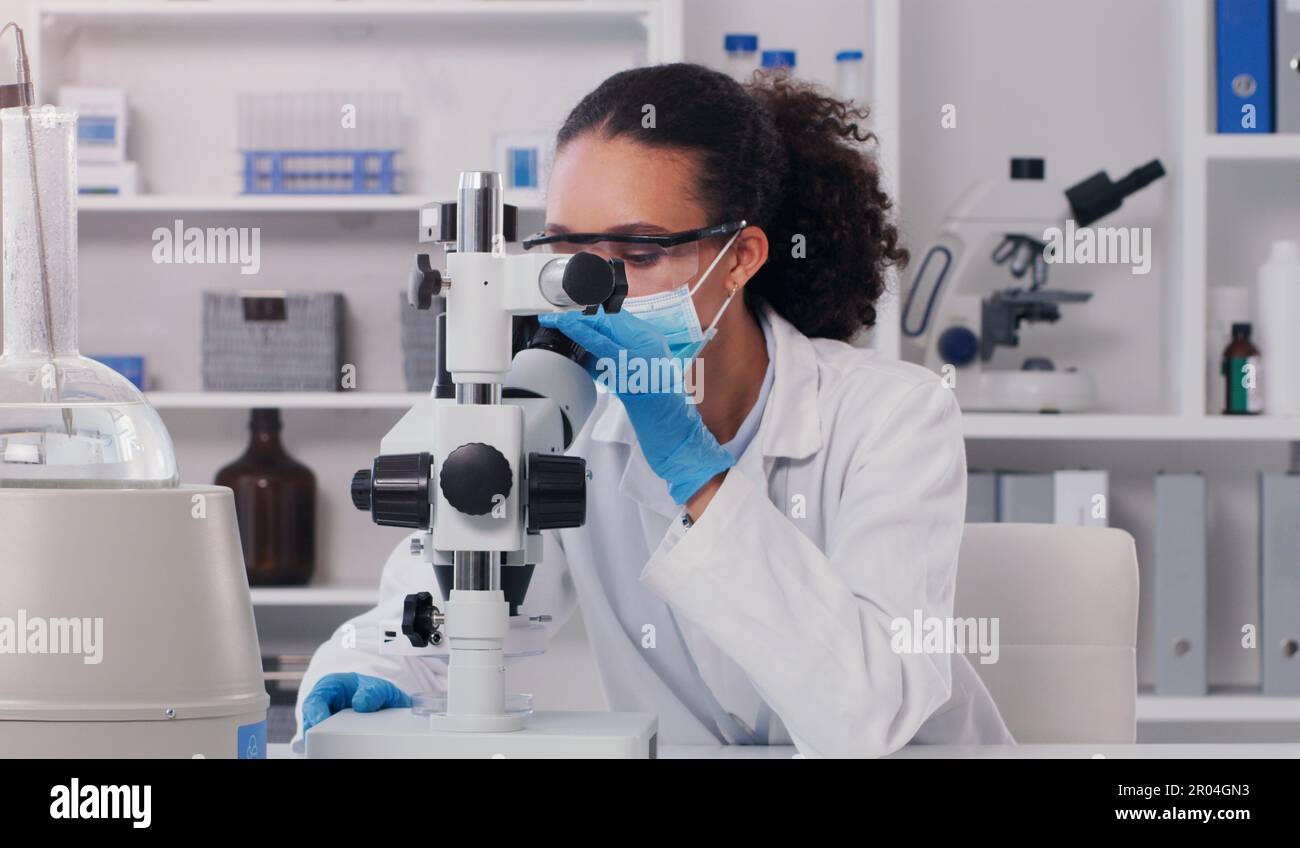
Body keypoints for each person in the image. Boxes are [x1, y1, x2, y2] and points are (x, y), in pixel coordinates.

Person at [294, 62, 1012, 757]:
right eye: (569, 250)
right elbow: (436, 620)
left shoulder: (893, 416)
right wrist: (367, 675)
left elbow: (869, 714)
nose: (589, 288)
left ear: (739, 258)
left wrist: (697, 474)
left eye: (637, 250)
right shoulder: (562, 420)